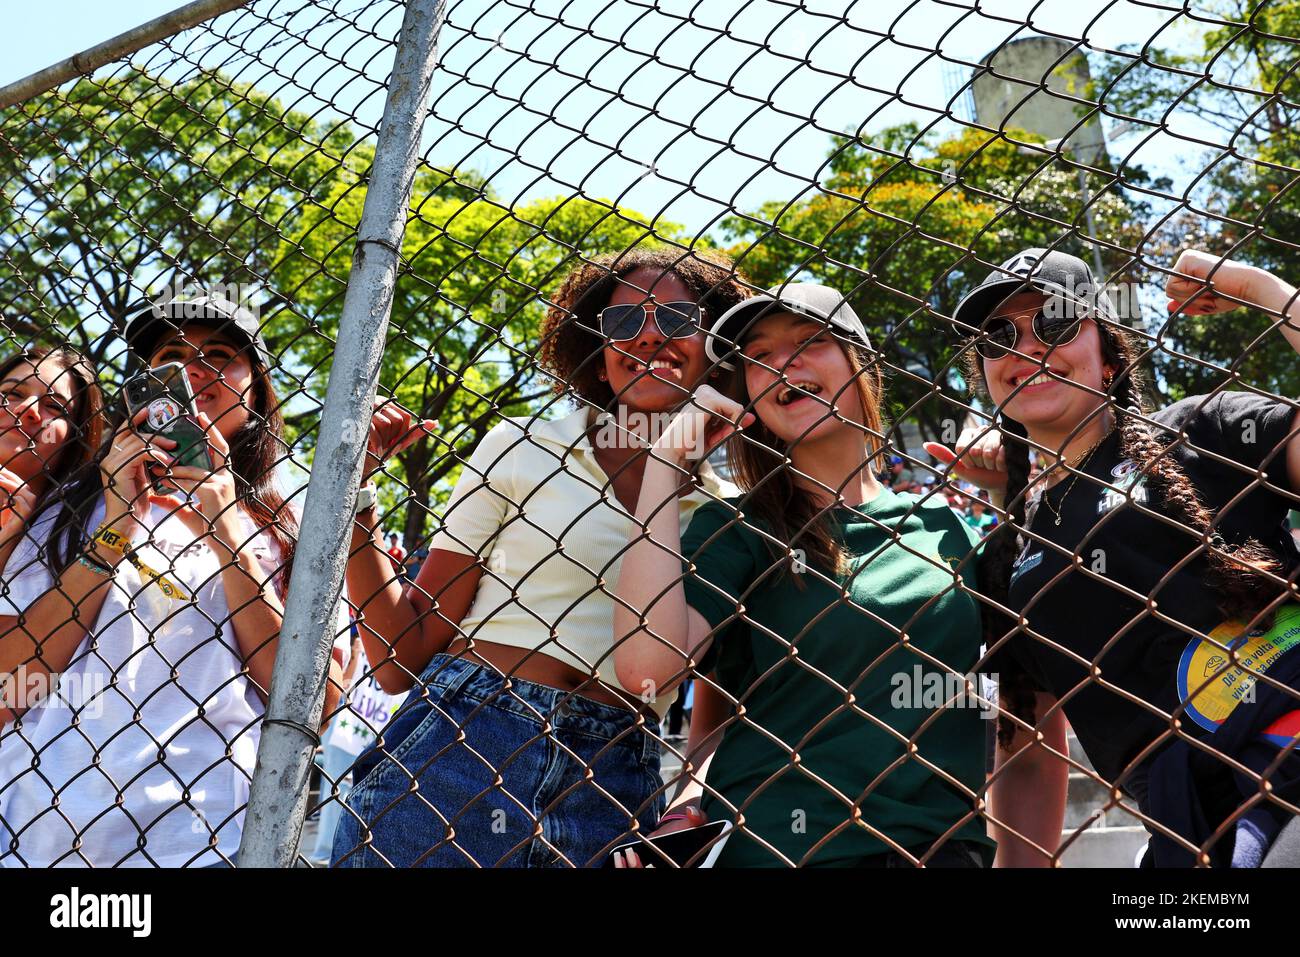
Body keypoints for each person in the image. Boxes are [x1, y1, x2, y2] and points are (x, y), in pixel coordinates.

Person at [331, 248, 748, 868]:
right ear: (600, 362)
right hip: (460, 743)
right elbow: (400, 659)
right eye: (624, 324)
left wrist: (690, 801)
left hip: (615, 778)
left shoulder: (733, 518)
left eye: (678, 319)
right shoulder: (522, 447)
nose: (651, 335)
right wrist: (359, 495)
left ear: (717, 349)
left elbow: (725, 708)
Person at [930, 247, 1300, 867]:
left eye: (1056, 322)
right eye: (999, 335)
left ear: (1107, 356)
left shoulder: (1199, 431)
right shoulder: (1006, 553)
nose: (1026, 347)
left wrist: (1264, 291)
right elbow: (1027, 750)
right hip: (1186, 828)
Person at [612, 284, 994, 867]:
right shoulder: (738, 529)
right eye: (758, 357)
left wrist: (1011, 487)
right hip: (776, 851)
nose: (782, 364)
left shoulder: (953, 529)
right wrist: (665, 466)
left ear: (861, 364)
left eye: (810, 341)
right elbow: (645, 666)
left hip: (940, 850)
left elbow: (1023, 716)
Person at [0, 298, 345, 867]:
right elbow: (9, 681)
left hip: (203, 842)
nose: (193, 370)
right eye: (171, 355)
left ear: (257, 388)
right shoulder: (64, 504)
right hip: (32, 832)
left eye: (219, 355)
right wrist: (113, 526)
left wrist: (227, 529)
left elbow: (317, 700)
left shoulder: (302, 523)